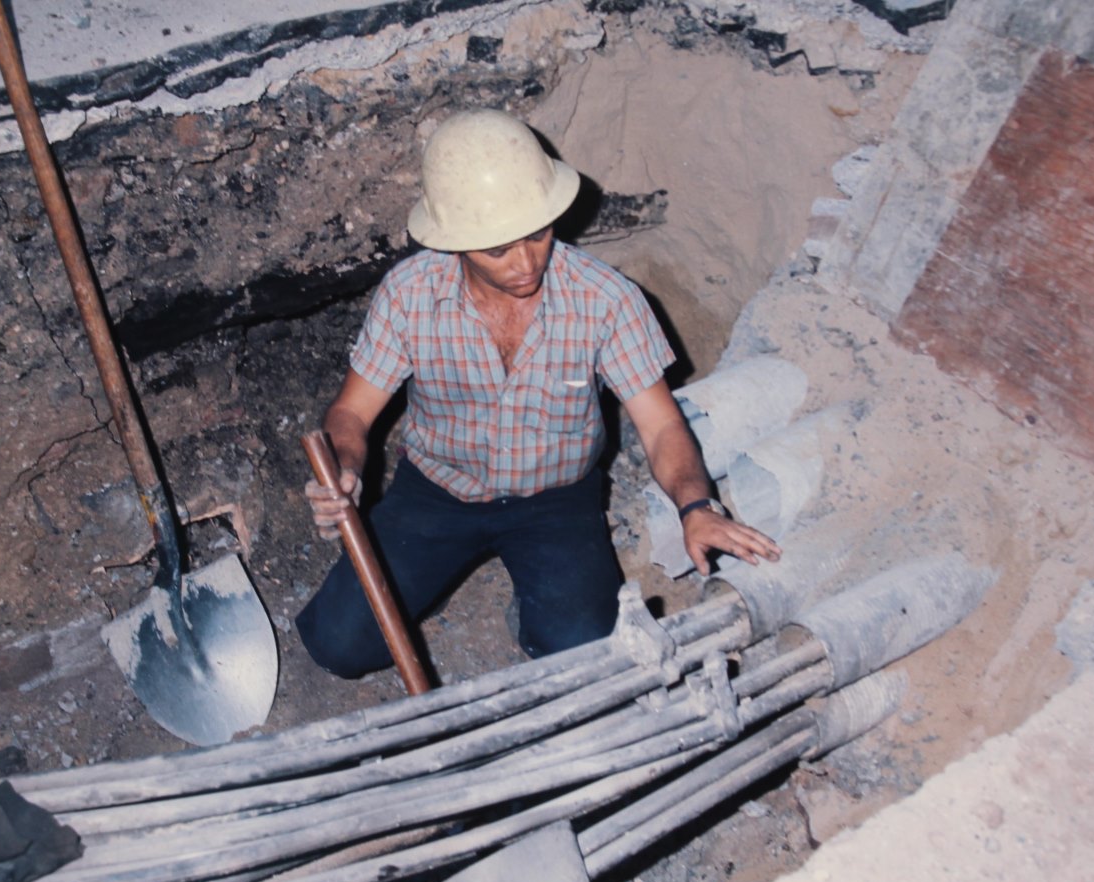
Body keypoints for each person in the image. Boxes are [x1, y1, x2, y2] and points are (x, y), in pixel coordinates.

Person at [296, 109, 779, 678]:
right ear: (458, 243)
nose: (526, 264)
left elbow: (663, 426)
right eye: (498, 249)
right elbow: (352, 411)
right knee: (340, 646)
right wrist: (345, 465)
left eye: (539, 234)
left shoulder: (607, 301)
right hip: (437, 489)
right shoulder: (409, 294)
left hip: (556, 500)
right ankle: (427, 582)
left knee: (583, 656)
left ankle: (533, 612)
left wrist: (695, 507)